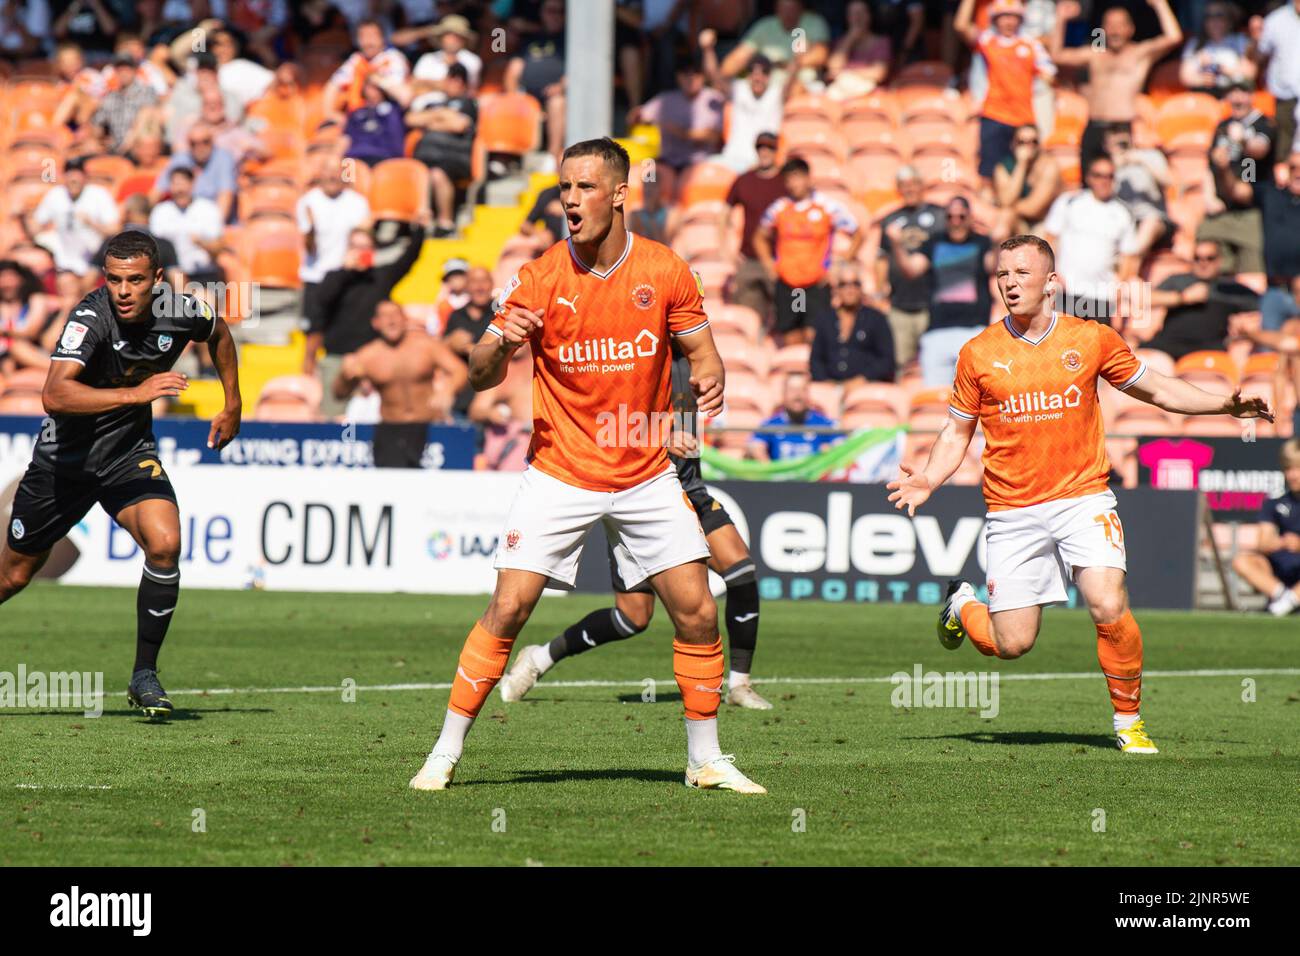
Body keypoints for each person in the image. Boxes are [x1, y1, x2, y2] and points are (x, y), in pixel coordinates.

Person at [409, 137, 764, 795]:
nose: (570, 200)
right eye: (564, 188)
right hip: (560, 471)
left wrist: (711, 379)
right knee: (509, 608)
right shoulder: (539, 277)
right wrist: (497, 349)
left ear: (622, 193)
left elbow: (704, 353)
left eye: (585, 187)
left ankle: (706, 760)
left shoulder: (665, 270)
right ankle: (444, 752)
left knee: (695, 612)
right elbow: (480, 376)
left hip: (646, 473)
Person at [886, 233, 1271, 755]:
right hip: (1013, 510)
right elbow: (957, 433)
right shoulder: (978, 354)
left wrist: (1224, 405)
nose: (1010, 283)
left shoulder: (1091, 339)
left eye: (1021, 273)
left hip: (1084, 498)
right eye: (1002, 274)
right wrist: (929, 478)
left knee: (1107, 603)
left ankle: (1128, 722)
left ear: (1052, 283)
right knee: (1012, 644)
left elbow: (1157, 388)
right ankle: (963, 604)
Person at [0, 230, 241, 718]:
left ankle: (143, 675)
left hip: (127, 456)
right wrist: (136, 394)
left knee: (166, 543)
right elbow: (55, 395)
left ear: (156, 279)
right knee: (13, 576)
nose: (123, 291)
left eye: (134, 280)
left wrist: (233, 402)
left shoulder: (181, 309)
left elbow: (219, 334)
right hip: (63, 464)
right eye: (113, 280)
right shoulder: (90, 318)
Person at [499, 347, 773, 711]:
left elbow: (706, 391)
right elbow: (598, 424)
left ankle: (739, 684)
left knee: (741, 571)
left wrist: (715, 385)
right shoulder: (629, 354)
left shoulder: (694, 356)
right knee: (632, 618)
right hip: (637, 494)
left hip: (689, 491)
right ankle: (540, 658)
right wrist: (657, 437)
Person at [306, 217, 429, 419]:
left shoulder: (381, 277)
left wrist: (421, 228)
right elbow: (320, 301)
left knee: (372, 419)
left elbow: (408, 259)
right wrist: (346, 271)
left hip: (372, 360)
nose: (360, 252)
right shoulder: (335, 277)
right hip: (336, 359)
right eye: (355, 246)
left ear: (374, 250)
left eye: (366, 247)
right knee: (332, 419)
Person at [1050, 0, 1184, 171]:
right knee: (1090, 184)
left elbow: (1174, 37)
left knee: (1123, 183)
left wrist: (1160, 5)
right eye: (1110, 25)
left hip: (1123, 128)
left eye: (1120, 25)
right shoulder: (1096, 54)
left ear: (1131, 29)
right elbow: (1057, 55)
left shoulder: (1140, 54)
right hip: (1095, 127)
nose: (1115, 30)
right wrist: (1061, 18)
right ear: (1103, 30)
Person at [334, 300, 468, 464]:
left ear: (405, 319)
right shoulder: (368, 356)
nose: (391, 321)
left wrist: (449, 390)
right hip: (390, 432)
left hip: (430, 428)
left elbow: (460, 370)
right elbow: (339, 393)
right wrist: (345, 377)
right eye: (385, 316)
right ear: (375, 323)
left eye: (395, 315)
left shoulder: (426, 346)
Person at [754, 157, 863, 346]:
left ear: (807, 178)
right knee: (791, 335)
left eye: (796, 177)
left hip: (815, 284)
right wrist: (768, 263)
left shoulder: (826, 206)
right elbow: (759, 236)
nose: (792, 183)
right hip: (790, 284)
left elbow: (857, 233)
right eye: (788, 179)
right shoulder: (780, 207)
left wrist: (840, 263)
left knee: (815, 333)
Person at [889, 195, 996, 386]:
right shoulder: (934, 243)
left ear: (970, 217)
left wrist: (998, 242)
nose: (956, 222)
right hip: (937, 332)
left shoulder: (982, 242)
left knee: (977, 398)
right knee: (935, 400)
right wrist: (897, 244)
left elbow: (994, 265)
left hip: (974, 331)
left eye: (961, 217)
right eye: (950, 217)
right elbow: (911, 269)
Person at [954, 0, 1057, 188]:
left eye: (1013, 17)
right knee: (989, 173)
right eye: (1004, 17)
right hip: (994, 115)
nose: (1009, 22)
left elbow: (1049, 74)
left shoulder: (1031, 45)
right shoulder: (987, 41)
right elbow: (961, 26)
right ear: (995, 19)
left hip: (1023, 120)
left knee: (1025, 174)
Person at [1041, 155, 1142, 324]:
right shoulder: (1069, 202)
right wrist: (1054, 273)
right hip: (1067, 291)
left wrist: (1117, 289)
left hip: (1100, 296)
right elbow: (1049, 240)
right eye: (1098, 175)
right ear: (1089, 178)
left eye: (1109, 176)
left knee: (1095, 347)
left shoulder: (1123, 213)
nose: (1104, 181)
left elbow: (1129, 257)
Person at [1217, 149, 1300, 334]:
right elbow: (1237, 191)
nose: (1298, 172)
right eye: (1293, 167)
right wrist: (1223, 168)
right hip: (1276, 290)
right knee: (1266, 354)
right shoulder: (1273, 194)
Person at [298, 160, 372, 365]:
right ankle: (308, 373)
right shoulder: (308, 202)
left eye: (336, 173)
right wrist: (311, 229)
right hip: (317, 275)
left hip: (345, 275)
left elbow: (364, 239)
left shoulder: (357, 202)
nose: (332, 177)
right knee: (313, 333)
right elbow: (308, 247)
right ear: (320, 175)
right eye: (327, 172)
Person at [627, 57, 726, 205]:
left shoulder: (713, 99)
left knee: (685, 184)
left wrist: (681, 133)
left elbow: (713, 136)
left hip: (699, 161)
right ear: (678, 77)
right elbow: (635, 118)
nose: (691, 77)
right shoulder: (665, 100)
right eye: (685, 73)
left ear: (703, 76)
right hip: (667, 160)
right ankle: (647, 218)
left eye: (696, 73)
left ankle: (677, 217)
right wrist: (636, 116)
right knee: (648, 174)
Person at [1199, 80, 1273, 273]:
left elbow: (1259, 151)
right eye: (1233, 92)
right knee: (1214, 271)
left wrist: (1243, 140)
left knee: (1251, 274)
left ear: (1252, 96)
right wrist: (1208, 197)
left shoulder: (1262, 124)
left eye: (1243, 92)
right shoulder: (1223, 126)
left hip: (1249, 211)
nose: (1237, 98)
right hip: (1221, 209)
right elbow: (1209, 165)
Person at [1139, 240, 1259, 359]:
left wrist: (1244, 324)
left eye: (1210, 258)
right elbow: (1146, 299)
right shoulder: (1178, 280)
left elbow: (1263, 306)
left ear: (1219, 261)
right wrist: (1182, 298)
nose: (1203, 263)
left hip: (1208, 349)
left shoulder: (1230, 288)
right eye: (1197, 258)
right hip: (1167, 346)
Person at [24, 156, 121, 302]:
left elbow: (115, 230)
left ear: (85, 177)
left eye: (77, 174)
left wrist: (92, 223)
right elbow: (35, 229)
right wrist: (24, 216)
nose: (73, 179)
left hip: (95, 260)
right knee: (68, 289)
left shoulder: (99, 195)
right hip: (65, 261)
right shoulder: (56, 195)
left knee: (90, 293)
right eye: (70, 174)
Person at [877, 166, 944, 368]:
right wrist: (881, 288)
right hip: (900, 306)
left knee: (932, 363)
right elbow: (881, 257)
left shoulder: (939, 216)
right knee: (901, 363)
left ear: (922, 186)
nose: (910, 190)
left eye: (914, 184)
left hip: (931, 304)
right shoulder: (890, 220)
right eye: (904, 186)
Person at [721, 132, 788, 323]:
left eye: (770, 148)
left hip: (780, 259)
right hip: (749, 259)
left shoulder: (785, 180)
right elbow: (724, 214)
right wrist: (725, 248)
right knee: (746, 316)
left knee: (783, 315)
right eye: (761, 148)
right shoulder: (744, 180)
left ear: (777, 151)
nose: (765, 152)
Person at [408, 62, 477, 237]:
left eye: (454, 80)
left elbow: (459, 124)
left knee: (437, 174)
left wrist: (432, 121)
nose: (449, 83)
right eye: (449, 79)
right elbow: (411, 119)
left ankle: (445, 222)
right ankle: (416, 220)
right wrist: (442, 116)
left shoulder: (468, 103)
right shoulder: (436, 103)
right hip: (426, 156)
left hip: (455, 157)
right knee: (419, 173)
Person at [1232, 438, 1300, 615]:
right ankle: (1287, 599)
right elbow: (1264, 543)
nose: (1293, 475)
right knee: (1242, 561)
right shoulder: (1275, 502)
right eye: (1288, 469)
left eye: (1298, 468)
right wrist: (1285, 542)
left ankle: (1288, 603)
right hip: (1279, 569)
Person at [701, 33, 783, 173]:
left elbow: (796, 72)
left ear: (770, 76)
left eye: (764, 72)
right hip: (731, 159)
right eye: (753, 71)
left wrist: (798, 56)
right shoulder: (738, 89)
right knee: (701, 171)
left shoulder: (778, 93)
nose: (758, 77)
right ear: (748, 74)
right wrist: (707, 49)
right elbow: (713, 75)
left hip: (762, 163)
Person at [720, 0, 831, 94]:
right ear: (777, 9)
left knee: (797, 89)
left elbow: (820, 55)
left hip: (801, 84)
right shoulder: (764, 26)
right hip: (766, 86)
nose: (788, 14)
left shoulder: (814, 22)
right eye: (784, 8)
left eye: (792, 9)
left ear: (800, 8)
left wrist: (787, 64)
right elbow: (734, 61)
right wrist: (722, 76)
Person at [812, 262, 896, 383]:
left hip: (866, 389)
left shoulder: (876, 319)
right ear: (836, 290)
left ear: (861, 288)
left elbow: (886, 360)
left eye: (855, 284)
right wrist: (824, 381)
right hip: (830, 387)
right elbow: (816, 359)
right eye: (844, 284)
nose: (850, 289)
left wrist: (863, 379)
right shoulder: (825, 319)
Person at [1105, 124, 1173, 260]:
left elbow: (1169, 181)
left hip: (1154, 220)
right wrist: (1115, 168)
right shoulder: (1107, 166)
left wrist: (1141, 161)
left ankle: (1129, 258)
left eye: (1123, 142)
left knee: (1150, 222)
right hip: (1122, 219)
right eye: (1116, 144)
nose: (1121, 147)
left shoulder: (1150, 156)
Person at [148, 167, 224, 287]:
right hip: (168, 275)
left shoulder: (208, 209)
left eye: (183, 184)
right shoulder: (160, 211)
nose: (179, 189)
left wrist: (202, 243)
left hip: (201, 274)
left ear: (192, 184)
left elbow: (218, 248)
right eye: (175, 184)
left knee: (201, 299)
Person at [1248, 0, 1300, 173]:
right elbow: (1259, 56)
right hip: (1285, 96)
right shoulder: (1276, 21)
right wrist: (1255, 38)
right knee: (1283, 156)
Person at [151, 121, 238, 223]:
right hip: (182, 222)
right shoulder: (180, 159)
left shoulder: (223, 158)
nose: (199, 147)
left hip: (212, 224)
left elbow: (225, 197)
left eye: (205, 142)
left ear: (213, 141)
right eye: (193, 143)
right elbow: (156, 192)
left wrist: (214, 229)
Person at [748, 371, 839, 461]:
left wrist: (831, 452)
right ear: (783, 394)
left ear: (808, 394)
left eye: (802, 389)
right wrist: (762, 459)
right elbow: (755, 445)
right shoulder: (770, 425)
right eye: (792, 390)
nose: (797, 395)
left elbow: (842, 446)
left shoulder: (824, 424)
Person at [993, 124, 1063, 240]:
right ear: (1013, 144)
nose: (1028, 147)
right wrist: (1021, 165)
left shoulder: (1049, 165)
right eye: (1022, 142)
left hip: (1043, 223)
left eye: (1033, 142)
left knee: (1006, 214)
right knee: (1003, 221)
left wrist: (1006, 206)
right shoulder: (1003, 167)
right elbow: (1006, 200)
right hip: (1017, 220)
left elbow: (1033, 208)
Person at [442, 265, 495, 418]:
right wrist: (450, 343)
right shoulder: (456, 316)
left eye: (484, 281)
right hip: (460, 400)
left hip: (490, 403)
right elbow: (439, 350)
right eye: (474, 281)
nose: (479, 287)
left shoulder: (501, 313)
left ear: (492, 284)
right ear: (466, 286)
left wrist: (470, 349)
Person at [1180, 2, 1255, 95]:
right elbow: (1185, 77)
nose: (1214, 20)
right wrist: (1203, 79)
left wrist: (1221, 69)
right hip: (1205, 94)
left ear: (1229, 20)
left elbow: (1250, 73)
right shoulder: (1195, 43)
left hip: (1233, 94)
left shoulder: (1240, 41)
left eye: (1219, 15)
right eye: (1209, 16)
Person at [825, 0, 892, 100]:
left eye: (861, 13)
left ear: (870, 16)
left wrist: (845, 73)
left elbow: (879, 73)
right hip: (842, 97)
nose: (858, 17)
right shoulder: (840, 42)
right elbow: (833, 67)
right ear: (847, 18)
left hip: (872, 97)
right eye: (853, 14)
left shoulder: (882, 42)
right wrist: (850, 38)